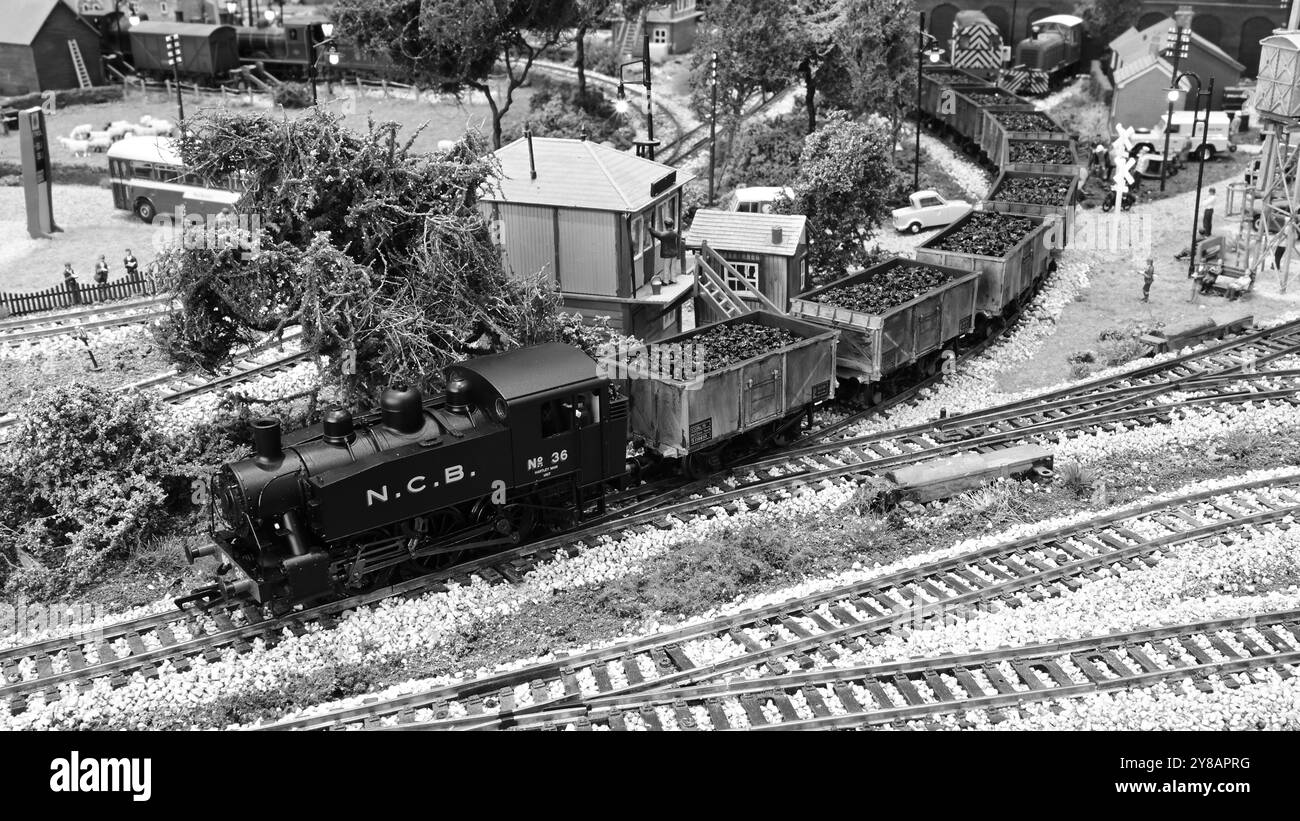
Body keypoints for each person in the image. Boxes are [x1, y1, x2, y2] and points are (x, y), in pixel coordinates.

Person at [648, 217, 683, 285]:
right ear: (672, 225)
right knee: (673, 267)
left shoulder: (663, 235)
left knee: (666, 267)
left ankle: (666, 281)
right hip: (674, 253)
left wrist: (650, 228)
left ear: (665, 225)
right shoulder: (674, 233)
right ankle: (673, 279)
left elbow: (655, 233)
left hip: (667, 254)